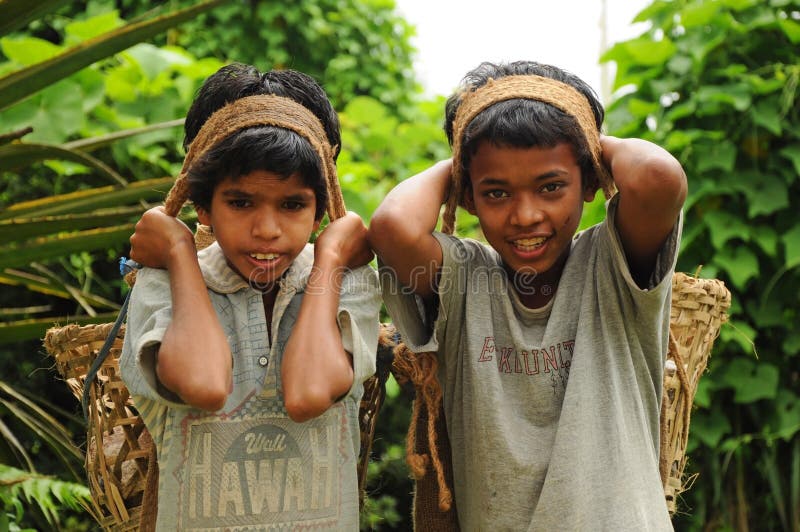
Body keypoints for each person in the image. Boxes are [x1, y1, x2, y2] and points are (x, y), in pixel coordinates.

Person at [369, 60, 687, 530]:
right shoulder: (466, 282)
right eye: (496, 193)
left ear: (592, 182)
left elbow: (659, 177)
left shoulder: (610, 266)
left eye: (551, 186)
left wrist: (586, 141)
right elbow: (392, 226)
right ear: (467, 196)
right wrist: (461, 157)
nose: (525, 215)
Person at [119, 63, 381, 530]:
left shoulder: (345, 278)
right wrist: (179, 252)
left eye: (293, 205)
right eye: (240, 203)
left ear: (320, 206)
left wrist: (331, 258)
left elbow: (307, 394)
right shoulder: (162, 280)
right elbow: (204, 385)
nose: (267, 230)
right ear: (203, 206)